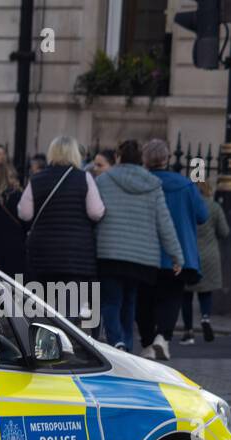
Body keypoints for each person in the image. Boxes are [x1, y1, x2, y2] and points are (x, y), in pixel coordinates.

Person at [92, 139, 181, 353]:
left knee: (111, 301)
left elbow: (94, 214)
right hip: (142, 258)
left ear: (119, 158)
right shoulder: (153, 184)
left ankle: (116, 342)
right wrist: (177, 256)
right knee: (130, 303)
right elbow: (164, 222)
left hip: (109, 251)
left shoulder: (103, 181)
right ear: (141, 159)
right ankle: (127, 346)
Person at [18, 136, 103, 326]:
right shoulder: (84, 178)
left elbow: (24, 213)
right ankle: (68, 341)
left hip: (43, 253)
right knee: (71, 305)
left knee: (43, 304)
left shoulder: (37, 179)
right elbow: (96, 212)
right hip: (75, 254)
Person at [136, 138, 206, 360]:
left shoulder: (141, 183)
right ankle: (162, 338)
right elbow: (203, 216)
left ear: (145, 160)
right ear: (167, 159)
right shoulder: (186, 185)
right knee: (172, 296)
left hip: (145, 251)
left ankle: (147, 342)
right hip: (177, 253)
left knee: (143, 299)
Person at [180, 180, 227, 344]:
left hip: (189, 253)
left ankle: (188, 331)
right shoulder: (214, 207)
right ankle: (205, 318)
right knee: (205, 292)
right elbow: (224, 231)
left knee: (186, 294)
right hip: (210, 255)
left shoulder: (186, 206)